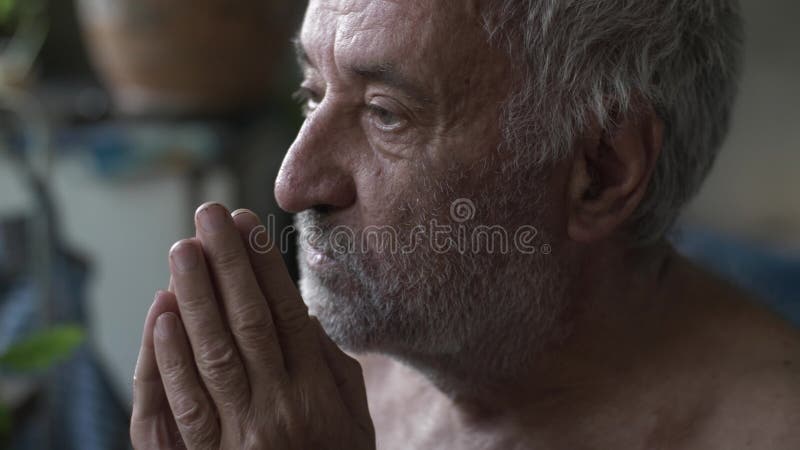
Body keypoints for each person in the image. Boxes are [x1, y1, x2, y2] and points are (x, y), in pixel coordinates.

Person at [129, 0, 800, 448]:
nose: (294, 183)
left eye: (385, 113)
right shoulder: (298, 387)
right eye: (312, 93)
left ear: (601, 170)